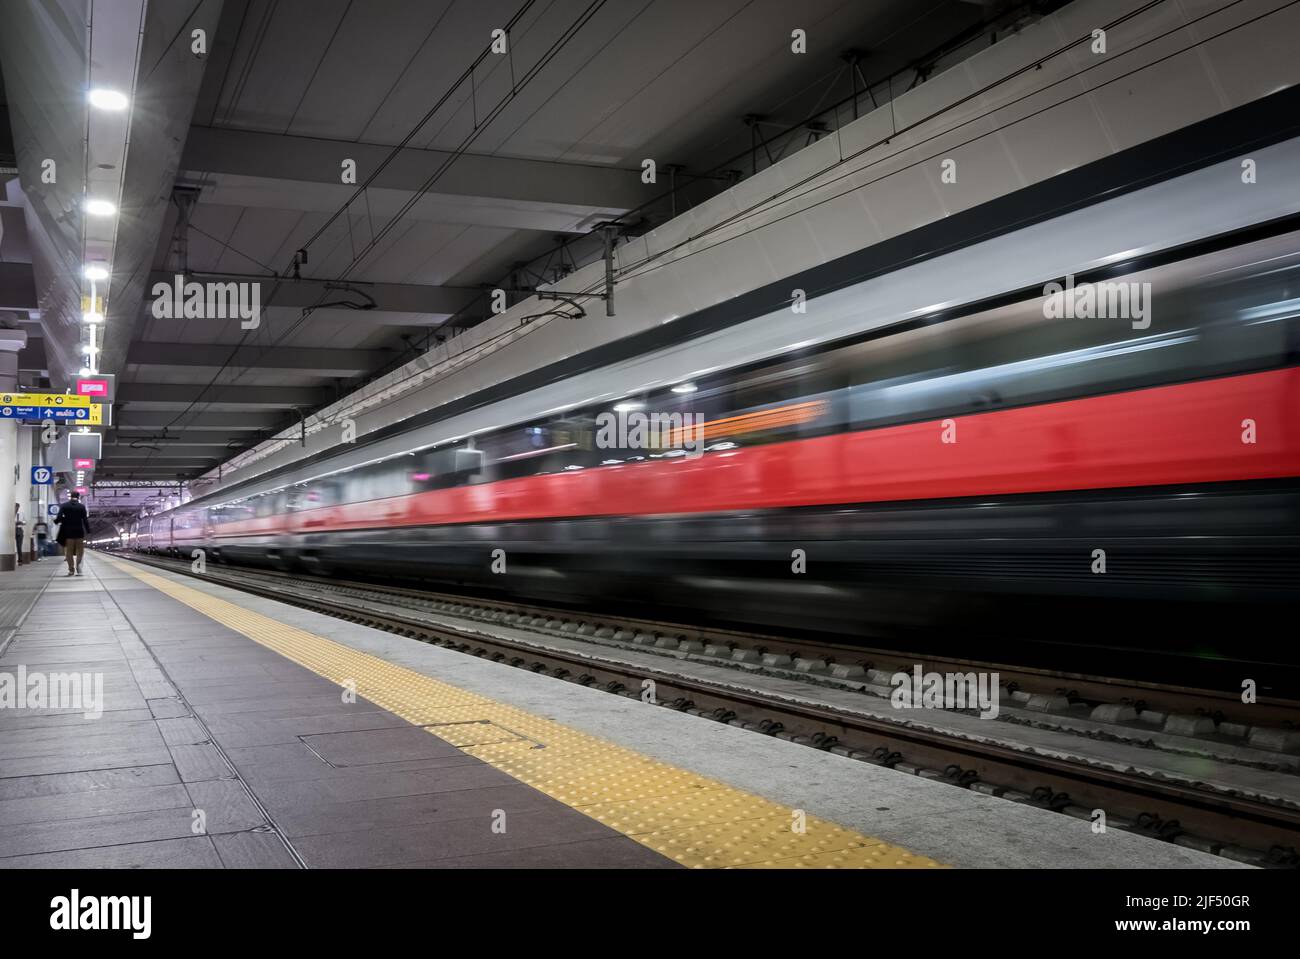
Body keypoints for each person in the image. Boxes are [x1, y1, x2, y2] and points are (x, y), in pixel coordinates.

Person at [54, 492, 90, 577]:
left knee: (69, 552)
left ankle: (71, 570)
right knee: (80, 552)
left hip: (68, 533)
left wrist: (56, 521)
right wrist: (88, 531)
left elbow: (59, 517)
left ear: (71, 496)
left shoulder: (64, 506)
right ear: (78, 497)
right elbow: (85, 520)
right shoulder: (81, 507)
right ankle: (79, 569)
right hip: (79, 532)